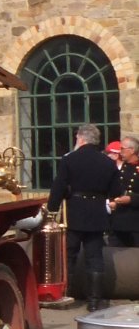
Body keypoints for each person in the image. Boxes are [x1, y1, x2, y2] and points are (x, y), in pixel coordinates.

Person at [47, 122, 117, 312]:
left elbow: (58, 187)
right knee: (95, 258)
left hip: (75, 211)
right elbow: (115, 191)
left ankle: (66, 295)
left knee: (68, 256)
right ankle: (94, 301)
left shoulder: (70, 159)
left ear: (81, 138)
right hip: (96, 212)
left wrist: (52, 209)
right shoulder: (108, 162)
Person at [108, 135, 139, 248]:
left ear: (132, 150)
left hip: (135, 220)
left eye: (122, 149)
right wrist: (112, 201)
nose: (120, 152)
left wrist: (131, 199)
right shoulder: (121, 167)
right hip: (119, 219)